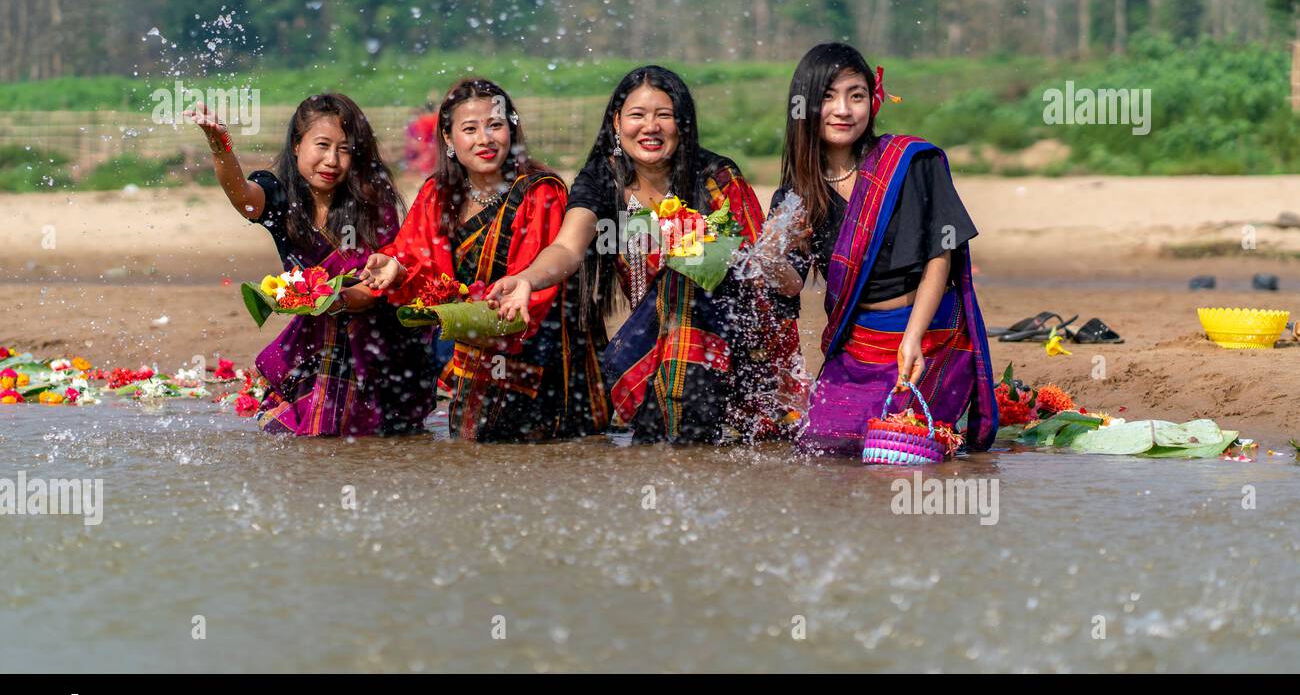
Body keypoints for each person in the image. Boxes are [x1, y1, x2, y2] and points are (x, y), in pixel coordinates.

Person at [489, 65, 797, 444]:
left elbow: (765, 271)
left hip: (729, 347)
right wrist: (526, 279)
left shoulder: (715, 176)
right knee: (660, 450)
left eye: (664, 115)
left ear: (682, 123)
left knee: (684, 288)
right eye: (637, 115)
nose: (650, 127)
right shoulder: (603, 178)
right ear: (617, 123)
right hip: (649, 354)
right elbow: (568, 248)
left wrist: (723, 248)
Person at [767, 43, 999, 454]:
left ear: (872, 102)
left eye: (855, 96)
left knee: (897, 446)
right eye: (828, 97)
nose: (843, 110)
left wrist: (912, 338)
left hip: (928, 333)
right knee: (822, 449)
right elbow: (789, 286)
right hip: (858, 344)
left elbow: (938, 255)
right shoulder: (796, 194)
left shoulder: (909, 162)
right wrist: (773, 251)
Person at [361, 79, 607, 442]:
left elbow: (534, 286)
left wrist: (486, 312)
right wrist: (395, 267)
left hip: (533, 346)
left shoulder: (539, 192)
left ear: (512, 128)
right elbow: (416, 258)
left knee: (531, 453)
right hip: (469, 339)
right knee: (474, 455)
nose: (485, 139)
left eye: (495, 126)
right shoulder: (436, 194)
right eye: (470, 129)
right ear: (447, 138)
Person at [188, 93, 433, 436]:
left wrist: (343, 299)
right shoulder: (280, 197)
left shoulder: (373, 203)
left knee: (378, 435)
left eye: (345, 149)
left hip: (377, 342)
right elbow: (243, 197)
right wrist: (220, 145)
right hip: (315, 343)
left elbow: (382, 279)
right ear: (296, 145)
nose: (331, 160)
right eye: (322, 145)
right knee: (305, 433)